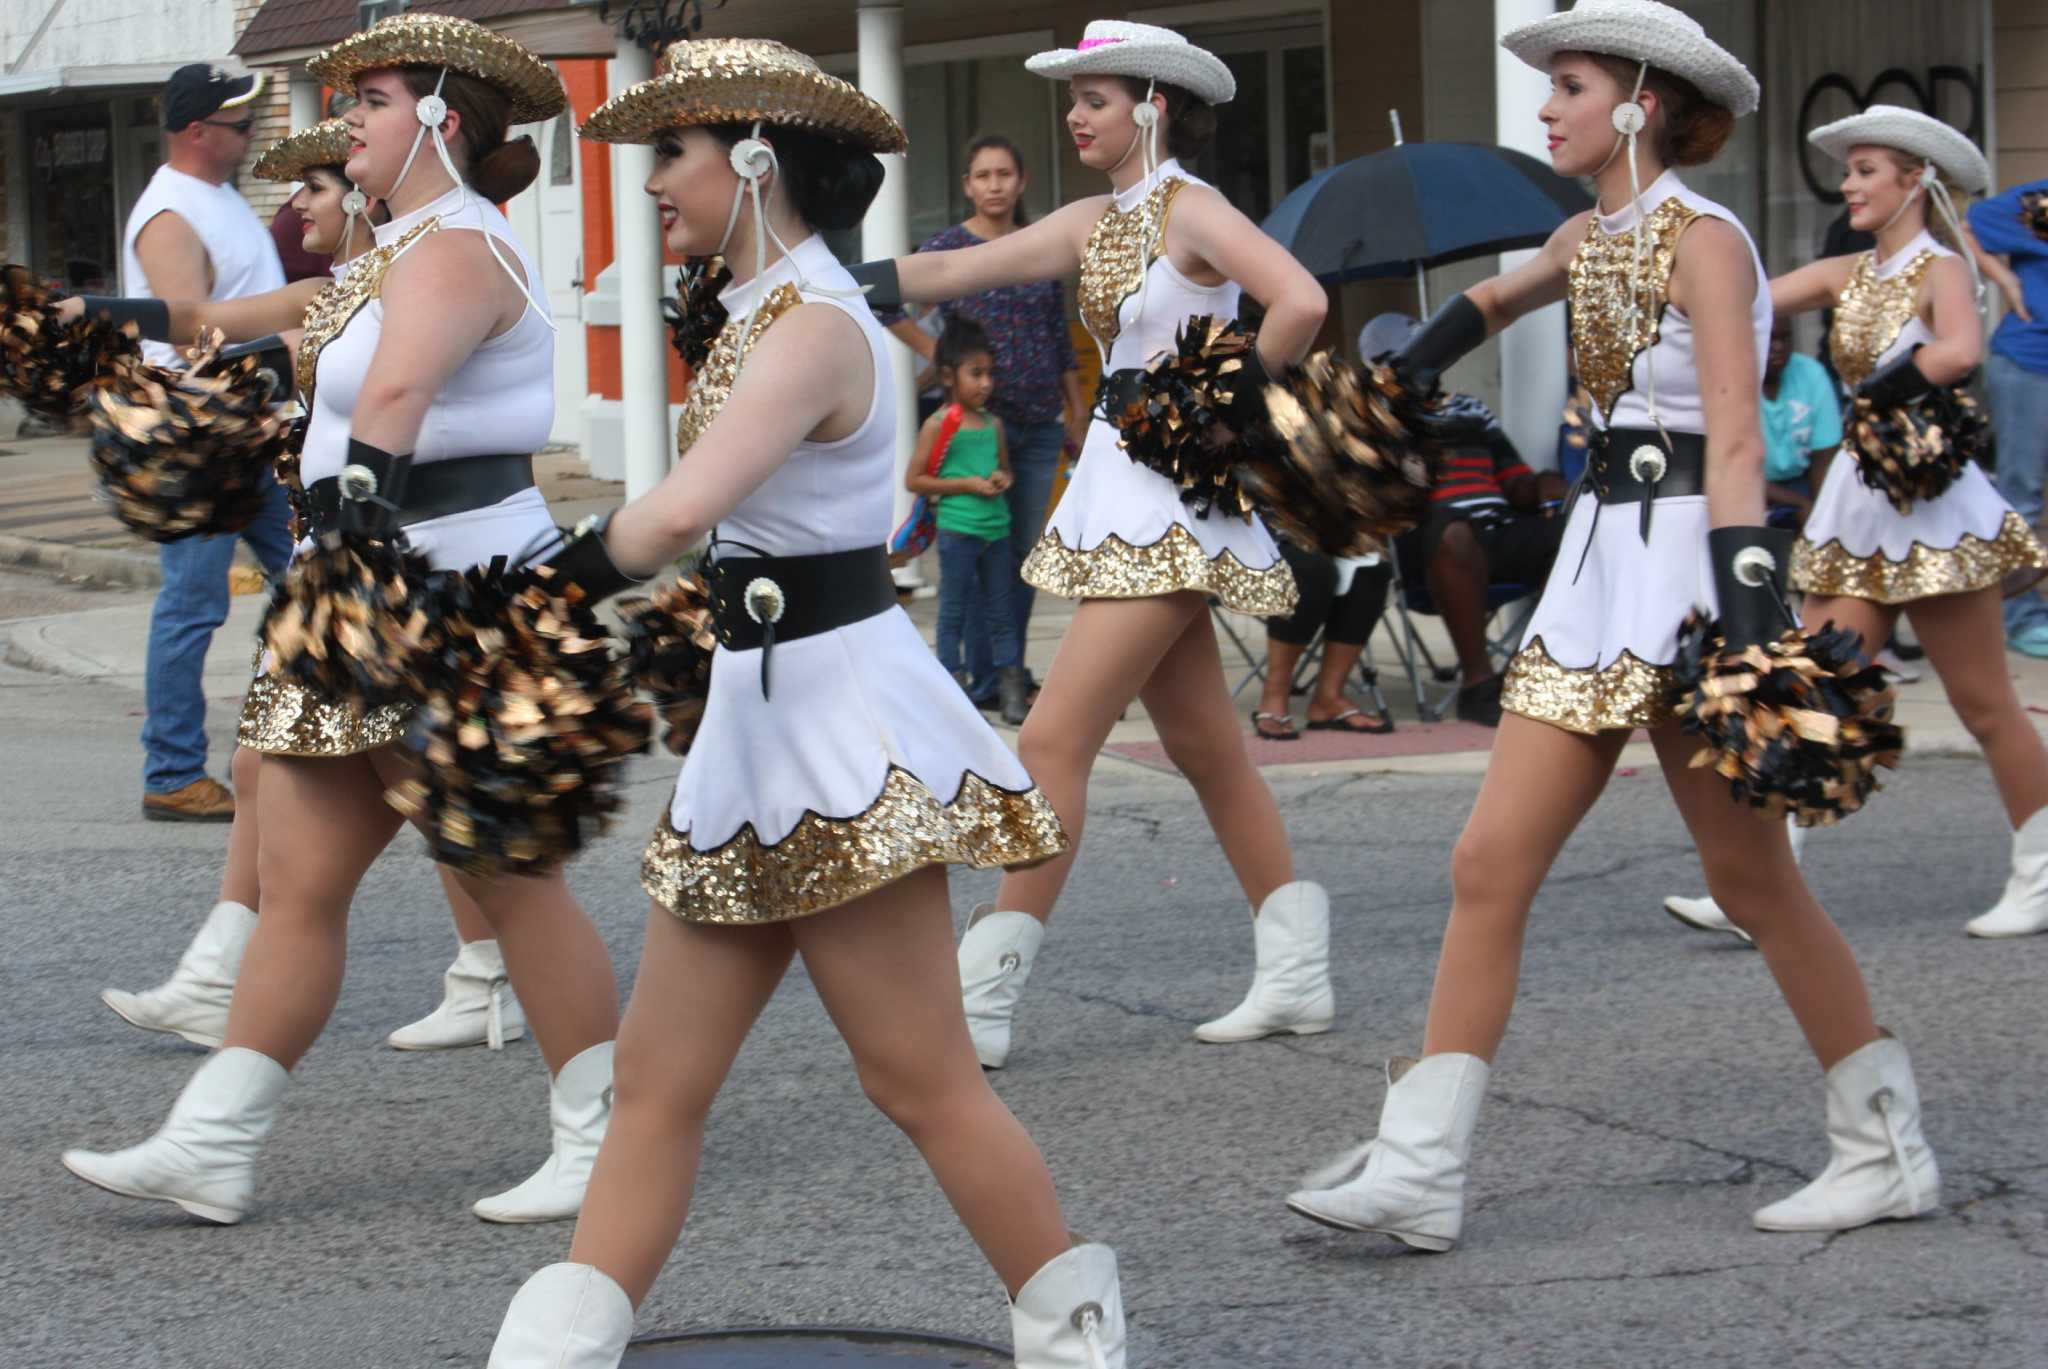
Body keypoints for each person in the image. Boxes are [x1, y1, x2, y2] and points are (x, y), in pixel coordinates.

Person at [488, 39, 1122, 1367]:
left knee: (919, 1079)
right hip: (758, 723)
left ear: (757, 159)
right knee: (655, 1087)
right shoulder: (776, 310)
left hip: (837, 732)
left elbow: (671, 517)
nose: (653, 178)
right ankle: (549, 1353)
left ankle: (1077, 1337)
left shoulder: (817, 326)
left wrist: (519, 589)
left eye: (675, 152)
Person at [1286, 1, 1939, 1252]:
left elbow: (1739, 433)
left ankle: (1882, 1143)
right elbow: (1493, 297)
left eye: (1567, 86)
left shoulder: (1708, 239)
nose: (1544, 107)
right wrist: (1392, 381)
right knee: (1486, 863)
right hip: (1595, 565)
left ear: (1636, 101)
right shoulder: (1588, 232)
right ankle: (1423, 1168)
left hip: (1691, 569)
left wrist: (1752, 624)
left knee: (1749, 878)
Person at [61, 13, 622, 1227]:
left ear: (438, 116)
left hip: (447, 591)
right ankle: (215, 1138)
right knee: (300, 879)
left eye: (368, 97)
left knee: (507, 877)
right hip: (361, 587)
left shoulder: (459, 245)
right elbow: (281, 358)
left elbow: (407, 392)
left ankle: (604, 1136)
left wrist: (346, 523)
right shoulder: (392, 245)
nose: (345, 119)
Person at [851, 20, 1338, 1064]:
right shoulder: (1088, 219)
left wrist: (1227, 403)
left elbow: (1299, 298)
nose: (1075, 114)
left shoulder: (1193, 210)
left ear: (1152, 106)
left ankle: (982, 992)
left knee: (1052, 741)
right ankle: (1297, 970)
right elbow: (945, 277)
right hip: (1114, 480)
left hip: (1169, 498)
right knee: (1207, 748)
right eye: (1073, 99)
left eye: (1097, 98)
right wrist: (812, 274)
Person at [90, 118, 528, 1058]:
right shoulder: (335, 292)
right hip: (333, 555)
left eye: (316, 189)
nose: (298, 206)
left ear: (363, 198)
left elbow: (356, 390)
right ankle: (232, 982)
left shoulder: (411, 281)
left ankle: (503, 977)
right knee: (276, 769)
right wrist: (98, 315)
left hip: (394, 561)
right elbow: (209, 328)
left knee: (414, 781)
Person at [1770, 106, 2048, 939]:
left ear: (1914, 182)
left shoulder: (1942, 269)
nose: (1849, 184)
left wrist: (1882, 391)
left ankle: (2042, 871)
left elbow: (1960, 351)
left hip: (1931, 509)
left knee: (1984, 703)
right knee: (1813, 689)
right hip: (1858, 506)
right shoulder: (1844, 272)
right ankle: (1758, 889)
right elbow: (1742, 298)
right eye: (1849, 170)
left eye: (1867, 170)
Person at [126, 63, 290, 822]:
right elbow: (187, 325)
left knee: (314, 578)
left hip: (247, 426)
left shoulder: (218, 199)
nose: (251, 133)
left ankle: (306, 746)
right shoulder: (170, 214)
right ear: (196, 132)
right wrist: (296, 313)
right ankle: (171, 770)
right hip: (198, 432)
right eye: (239, 124)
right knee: (193, 605)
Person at [876, 134, 1089, 712]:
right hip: (974, 431)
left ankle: (1005, 672)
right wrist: (942, 359)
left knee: (1019, 556)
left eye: (1004, 174)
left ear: (1021, 182)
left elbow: (1058, 335)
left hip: (1040, 424)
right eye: (982, 175)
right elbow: (886, 301)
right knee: (972, 555)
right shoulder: (949, 246)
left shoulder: (1042, 245)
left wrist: (1075, 407)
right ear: (968, 185)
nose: (994, 185)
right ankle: (974, 676)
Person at [1362, 309, 1571, 727]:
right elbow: (1380, 498)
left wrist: (1544, 486)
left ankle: (1550, 668)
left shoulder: (1471, 410)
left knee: (1572, 534)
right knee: (1454, 528)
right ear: (1384, 366)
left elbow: (1516, 486)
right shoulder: (1372, 418)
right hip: (1429, 545)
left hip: (1496, 532)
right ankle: (1478, 686)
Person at [907, 317, 1031, 724]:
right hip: (958, 532)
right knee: (953, 611)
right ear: (948, 375)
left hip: (996, 531)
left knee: (1001, 611)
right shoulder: (940, 424)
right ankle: (951, 688)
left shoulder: (993, 425)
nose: (986, 384)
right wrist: (967, 485)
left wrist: (1001, 479)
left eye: (989, 374)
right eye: (976, 374)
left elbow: (1007, 470)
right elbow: (916, 479)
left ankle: (1010, 688)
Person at [1967, 170, 2048, 655]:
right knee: (2024, 494)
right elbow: (1971, 226)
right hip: (2030, 365)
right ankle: (2021, 617)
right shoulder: (2042, 203)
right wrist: (2005, 281)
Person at [1253, 545, 1394, 740]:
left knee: (1372, 569)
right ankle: (1273, 695)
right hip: (1260, 534)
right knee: (1310, 567)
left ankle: (1329, 698)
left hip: (1331, 531)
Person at [1757, 312, 1844, 529]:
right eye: (1769, 338)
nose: (1778, 347)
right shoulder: (1732, 379)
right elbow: (1731, 471)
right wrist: (1801, 504)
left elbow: (1824, 458)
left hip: (1802, 482)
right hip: (1750, 487)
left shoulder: (1811, 373)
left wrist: (1821, 516)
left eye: (1785, 338)